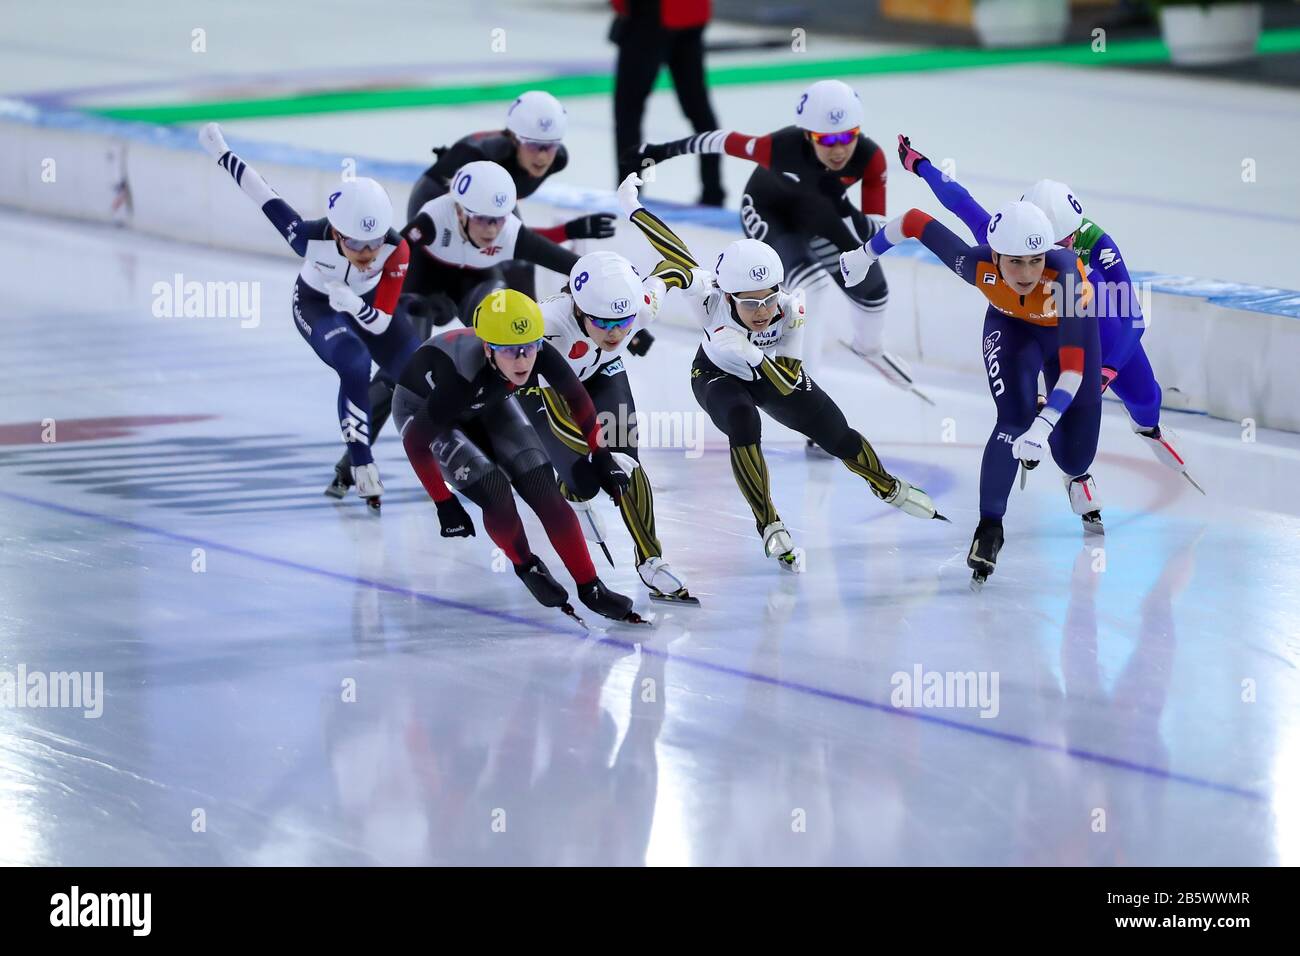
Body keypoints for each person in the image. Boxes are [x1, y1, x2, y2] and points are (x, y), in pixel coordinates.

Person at [896, 135, 1200, 491]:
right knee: (1064, 420)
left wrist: (1108, 370)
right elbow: (962, 204)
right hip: (1042, 329)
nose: (1053, 256)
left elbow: (1133, 319)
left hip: (1096, 323)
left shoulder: (1096, 243)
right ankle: (1075, 472)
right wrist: (921, 166)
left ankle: (1148, 426)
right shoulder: (1014, 236)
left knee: (1147, 397)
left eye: (1067, 243)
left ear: (1076, 234)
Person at [842, 201, 1101, 588]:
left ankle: (1075, 472)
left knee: (1074, 453)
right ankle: (989, 528)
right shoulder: (972, 262)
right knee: (1012, 421)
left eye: (1035, 260)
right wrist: (863, 255)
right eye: (1015, 262)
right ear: (994, 255)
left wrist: (1045, 425)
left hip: (1066, 338)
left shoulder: (1063, 275)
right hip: (1013, 329)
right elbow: (914, 221)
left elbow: (1074, 371)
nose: (1027, 273)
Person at [634, 79, 923, 400]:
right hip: (768, 211)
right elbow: (722, 141)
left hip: (820, 213)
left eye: (847, 137)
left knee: (872, 286)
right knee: (812, 288)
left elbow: (871, 235)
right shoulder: (779, 147)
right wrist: (661, 152)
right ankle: (807, 393)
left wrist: (840, 205)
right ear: (807, 135)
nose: (839, 149)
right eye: (826, 140)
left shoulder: (871, 158)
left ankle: (868, 346)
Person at [676, 235, 947, 573]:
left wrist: (752, 353)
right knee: (743, 420)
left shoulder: (792, 307)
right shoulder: (707, 297)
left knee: (839, 436)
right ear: (727, 296)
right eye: (749, 303)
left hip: (770, 371)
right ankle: (769, 523)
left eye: (769, 299)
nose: (761, 311)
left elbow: (788, 381)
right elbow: (673, 256)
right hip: (716, 374)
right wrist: (634, 212)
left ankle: (887, 486)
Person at [325, 159, 594, 499]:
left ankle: (535, 449)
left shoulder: (508, 229)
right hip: (420, 288)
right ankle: (352, 460)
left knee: (515, 347)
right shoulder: (430, 222)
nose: (492, 229)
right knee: (399, 373)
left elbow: (566, 263)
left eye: (499, 219)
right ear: (459, 211)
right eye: (483, 219)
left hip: (475, 287)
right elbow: (384, 265)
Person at [198, 122, 418, 513]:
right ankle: (361, 461)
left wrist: (352, 302)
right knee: (354, 361)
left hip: (362, 306)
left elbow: (381, 322)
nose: (367, 253)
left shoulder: (396, 249)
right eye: (354, 243)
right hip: (317, 304)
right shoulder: (307, 237)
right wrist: (221, 152)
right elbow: (262, 193)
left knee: (420, 376)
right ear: (335, 231)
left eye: (374, 242)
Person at [392, 289, 646, 625]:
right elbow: (415, 443)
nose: (523, 361)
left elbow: (578, 399)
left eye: (529, 348)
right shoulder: (462, 376)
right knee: (495, 491)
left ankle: (592, 587)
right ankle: (525, 564)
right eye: (511, 352)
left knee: (544, 489)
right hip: (424, 411)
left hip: (486, 403)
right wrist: (444, 502)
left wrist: (601, 456)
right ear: (487, 348)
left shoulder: (537, 352)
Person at [405, 90, 616, 299]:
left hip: (472, 213)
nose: (542, 157)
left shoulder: (557, 160)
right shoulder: (480, 163)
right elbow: (516, 240)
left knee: (513, 262)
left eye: (550, 146)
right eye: (533, 145)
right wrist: (567, 231)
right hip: (431, 196)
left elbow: (518, 241)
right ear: (514, 139)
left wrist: (570, 231)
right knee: (430, 297)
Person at [611, 0, 725, 206]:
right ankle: (713, 192)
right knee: (699, 109)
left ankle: (628, 194)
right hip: (690, 13)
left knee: (628, 111)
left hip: (650, 16)